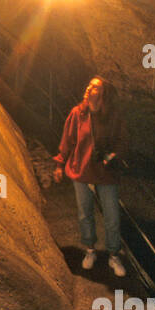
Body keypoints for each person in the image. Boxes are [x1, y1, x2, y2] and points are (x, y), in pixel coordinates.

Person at [52, 76, 127, 276]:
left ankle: (113, 255)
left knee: (112, 216)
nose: (88, 88)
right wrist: (60, 164)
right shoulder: (78, 114)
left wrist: (109, 157)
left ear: (103, 94)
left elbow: (121, 142)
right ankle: (90, 250)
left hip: (105, 173)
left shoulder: (112, 116)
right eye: (89, 85)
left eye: (94, 87)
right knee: (85, 214)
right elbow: (67, 141)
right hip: (82, 171)